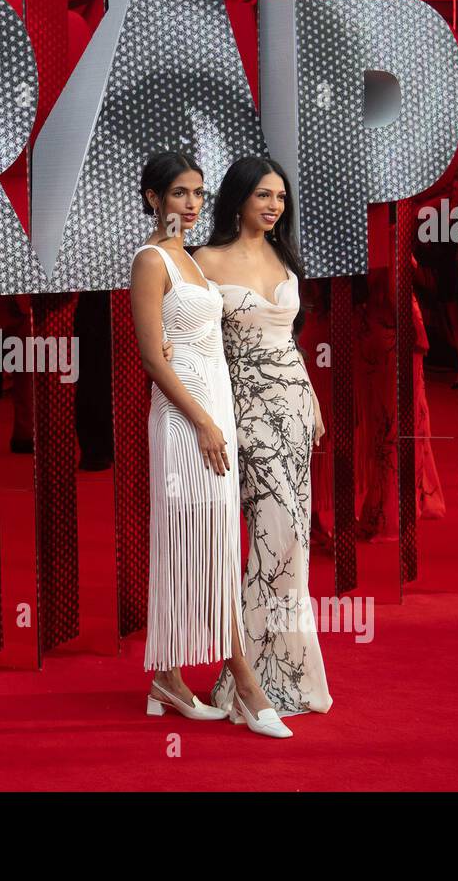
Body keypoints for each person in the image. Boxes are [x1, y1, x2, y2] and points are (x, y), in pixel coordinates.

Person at [130, 150, 291, 737]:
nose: (192, 204)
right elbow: (152, 356)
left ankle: (167, 677)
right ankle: (244, 683)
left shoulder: (192, 261)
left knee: (212, 542)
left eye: (198, 193)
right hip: (183, 421)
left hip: (214, 411)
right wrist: (199, 420)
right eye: (179, 193)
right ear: (154, 199)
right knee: (198, 544)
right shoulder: (152, 260)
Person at [189, 155, 333, 720]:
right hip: (244, 410)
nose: (273, 206)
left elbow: (287, 342)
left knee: (294, 540)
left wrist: (314, 396)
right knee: (272, 537)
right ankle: (247, 681)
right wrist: (207, 416)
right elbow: (196, 344)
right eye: (262, 196)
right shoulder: (206, 260)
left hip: (295, 404)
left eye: (279, 196)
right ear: (239, 200)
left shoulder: (282, 255)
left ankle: (280, 676)